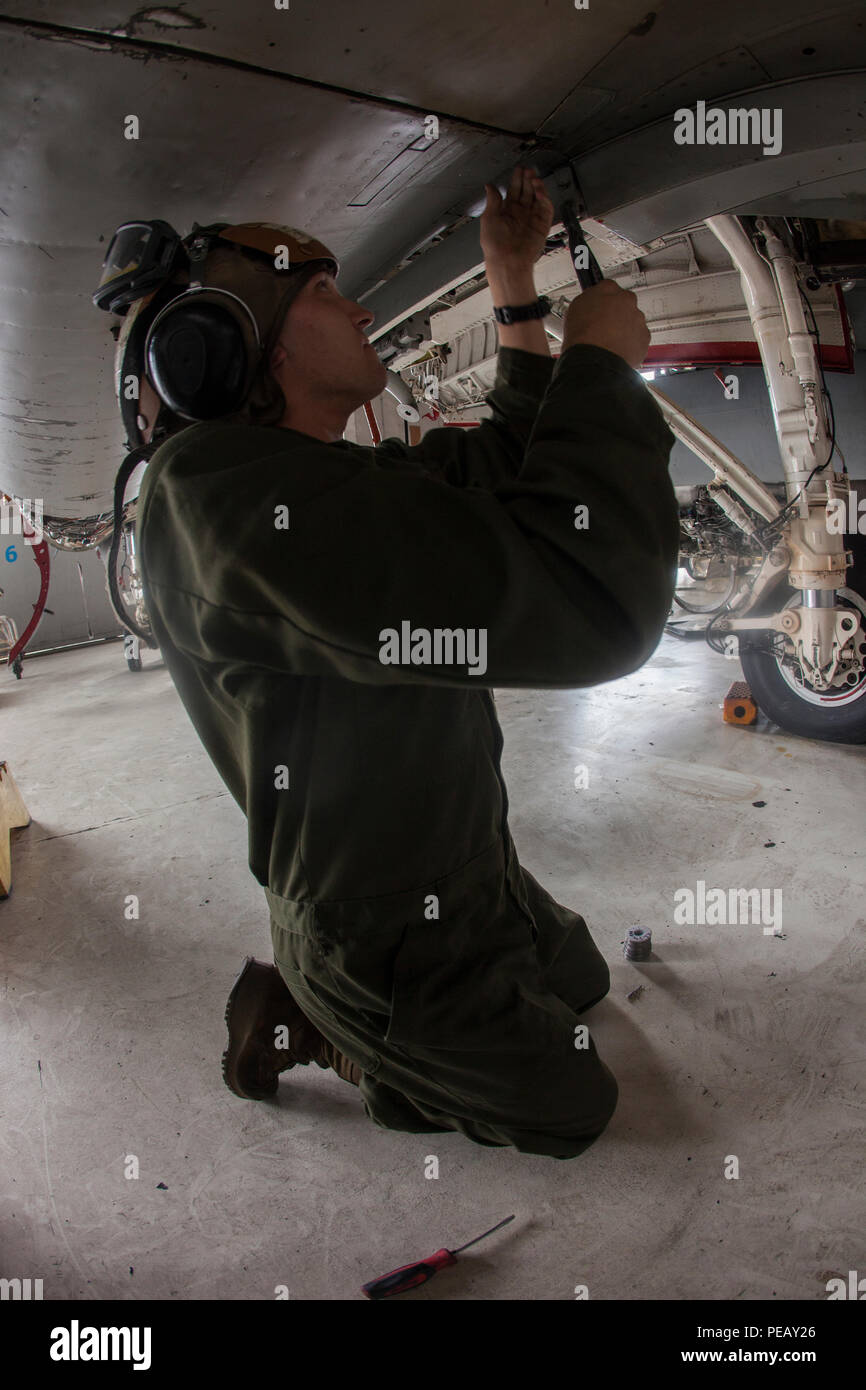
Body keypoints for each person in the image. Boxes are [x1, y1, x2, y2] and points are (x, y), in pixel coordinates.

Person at [126, 166, 679, 1159]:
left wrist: (512, 284)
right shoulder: (222, 506)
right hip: (374, 925)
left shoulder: (326, 481)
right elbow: (592, 604)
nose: (363, 305)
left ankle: (376, 1012)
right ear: (248, 345)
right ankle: (331, 1030)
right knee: (568, 1103)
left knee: (584, 978)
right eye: (328, 295)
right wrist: (598, 368)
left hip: (466, 866)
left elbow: (505, 468)